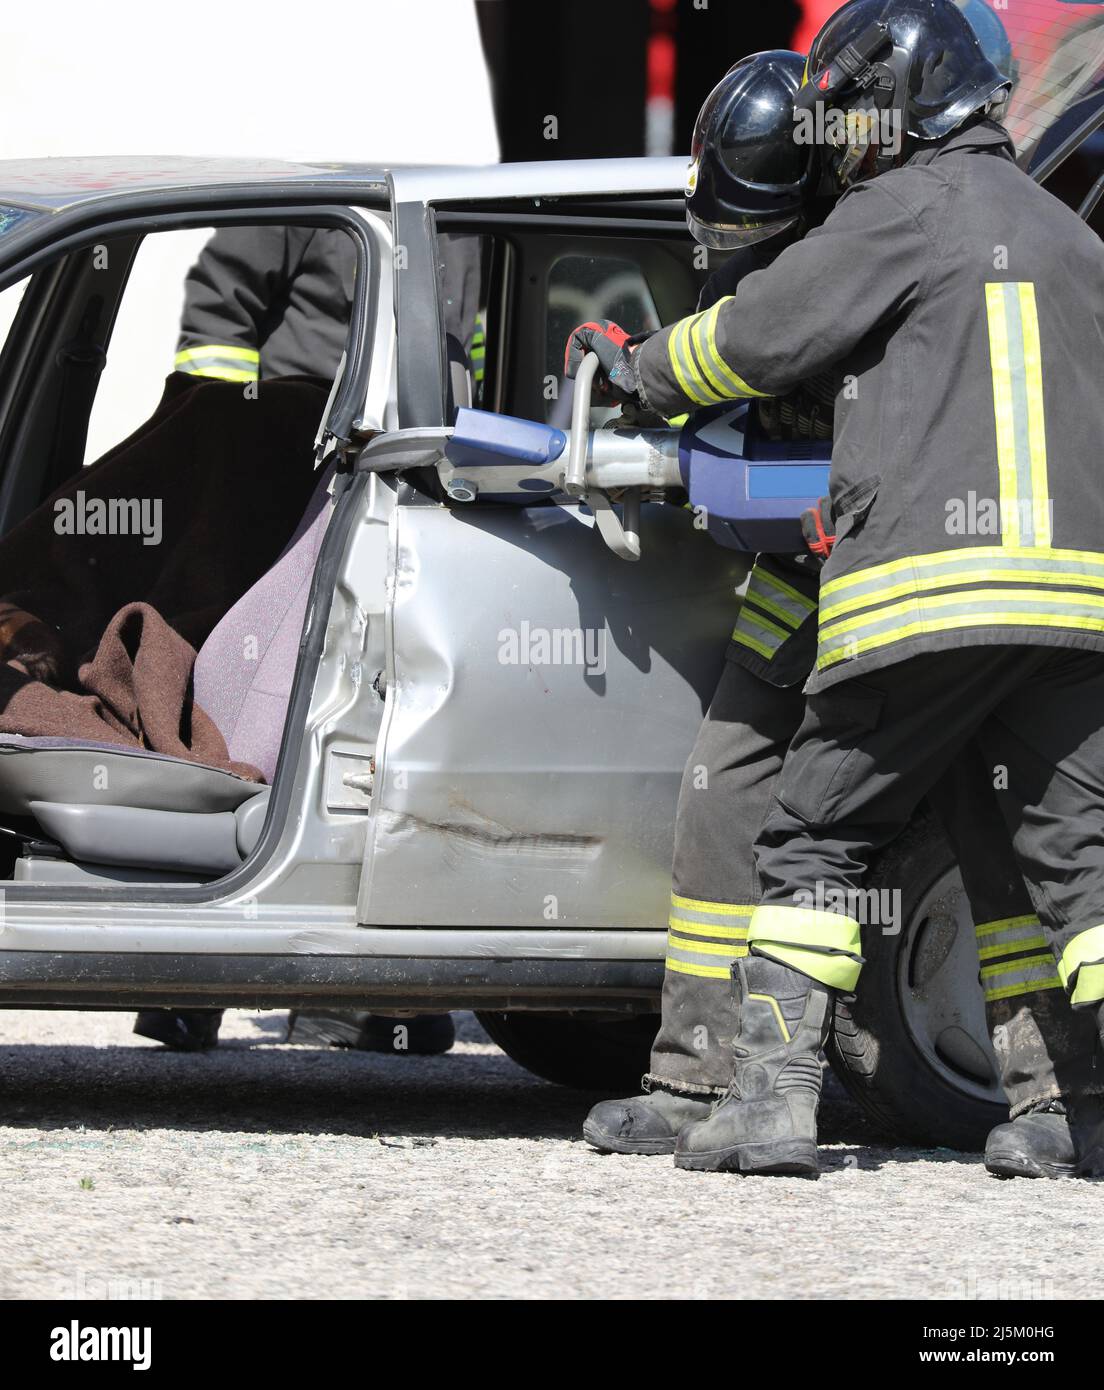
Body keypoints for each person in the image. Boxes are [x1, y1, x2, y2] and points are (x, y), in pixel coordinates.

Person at [575, 14, 1100, 1179]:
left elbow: (759, 335)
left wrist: (641, 376)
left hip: (915, 585)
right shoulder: (1067, 237)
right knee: (1074, 860)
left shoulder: (890, 211)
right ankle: (1076, 1107)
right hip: (1044, 601)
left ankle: (766, 1101)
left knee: (820, 830)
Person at [132, 223, 481, 1058]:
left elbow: (469, 349)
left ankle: (353, 998)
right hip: (286, 469)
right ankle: (191, 984)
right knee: (252, 700)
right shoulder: (333, 200)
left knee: (365, 710)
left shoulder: (462, 219)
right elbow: (222, 308)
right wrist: (229, 438)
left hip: (411, 483)